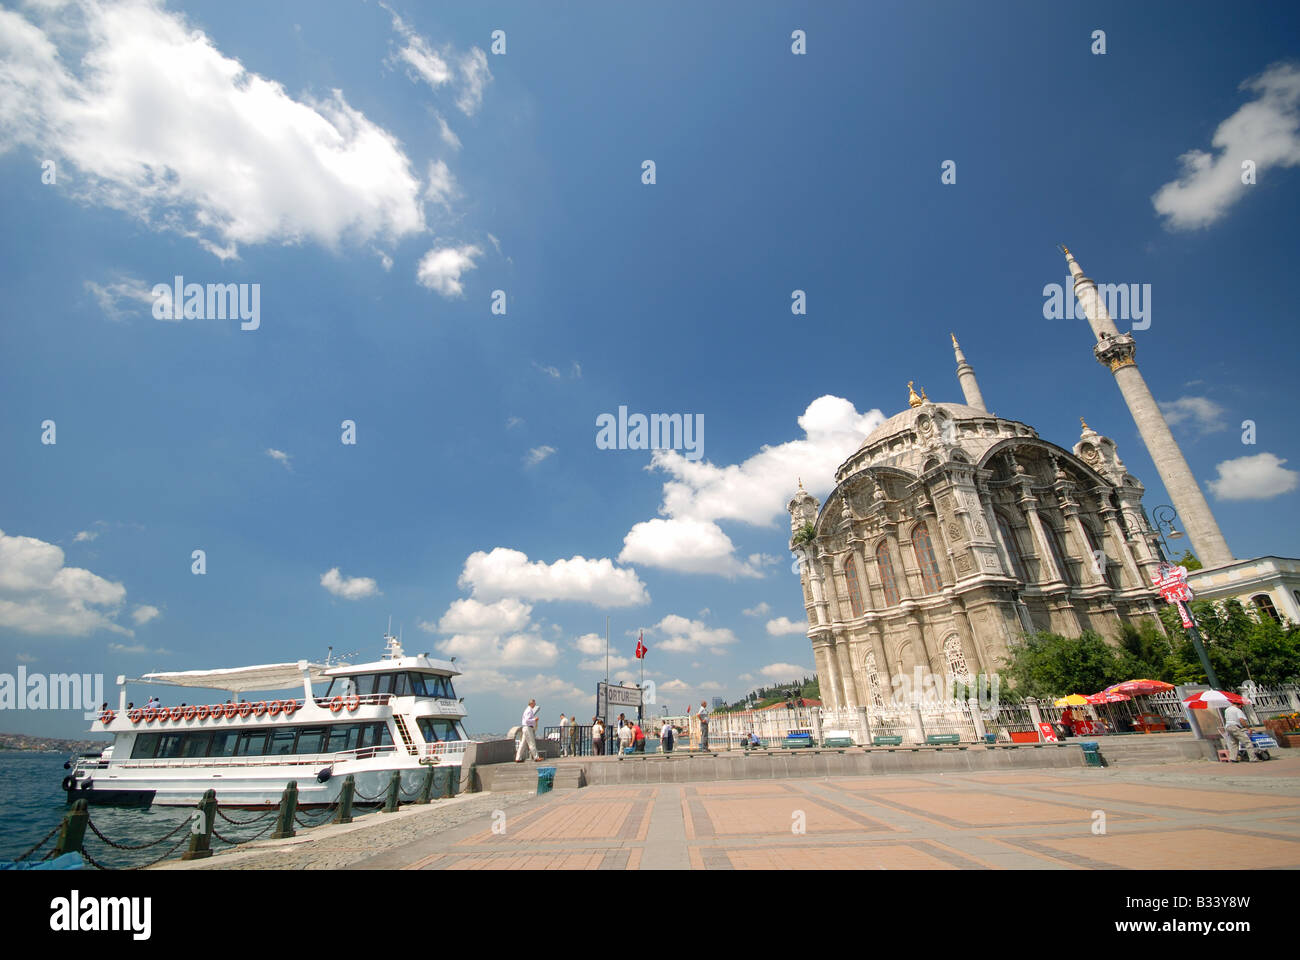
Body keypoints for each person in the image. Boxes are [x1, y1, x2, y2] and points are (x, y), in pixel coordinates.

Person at [515, 698, 542, 762]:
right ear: (531, 703)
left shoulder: (528, 710)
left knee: (523, 744)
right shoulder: (529, 710)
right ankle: (536, 757)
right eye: (534, 703)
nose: (535, 704)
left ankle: (518, 758)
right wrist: (534, 720)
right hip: (528, 728)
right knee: (531, 742)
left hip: (525, 728)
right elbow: (527, 720)